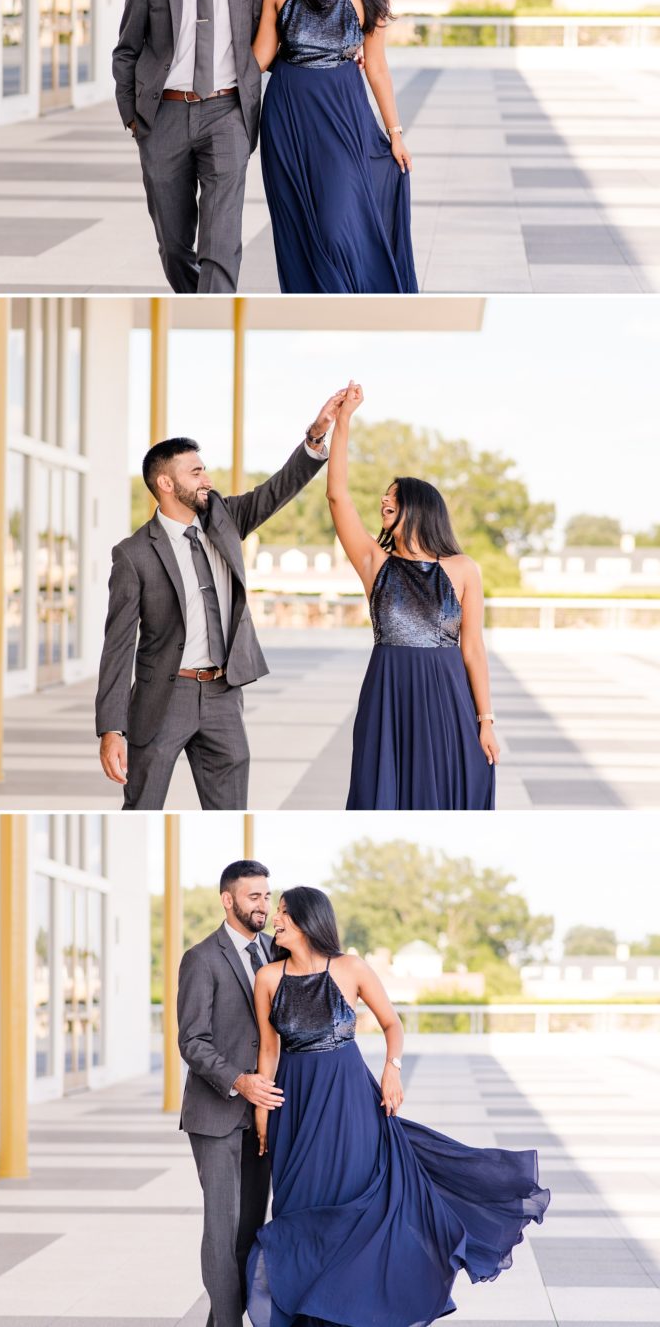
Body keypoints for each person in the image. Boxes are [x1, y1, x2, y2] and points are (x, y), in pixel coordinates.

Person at [247, 886, 549, 1327]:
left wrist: (393, 1068)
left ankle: (351, 1312)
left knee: (353, 1204)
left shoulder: (350, 968)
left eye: (285, 913)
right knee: (296, 1210)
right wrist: (261, 1108)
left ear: (309, 921)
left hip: (349, 1100)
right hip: (294, 1107)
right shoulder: (268, 978)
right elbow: (269, 1051)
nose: (277, 920)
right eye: (278, 913)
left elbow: (392, 1023)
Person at [95, 395, 345, 808]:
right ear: (166, 483)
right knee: (143, 807)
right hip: (163, 698)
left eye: (204, 469)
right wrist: (111, 729)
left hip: (223, 696)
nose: (207, 479)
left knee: (229, 810)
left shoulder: (225, 519)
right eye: (196, 472)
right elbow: (118, 646)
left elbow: (277, 489)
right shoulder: (133, 554)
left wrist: (317, 435)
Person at [327, 381, 500, 809]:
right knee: (381, 790)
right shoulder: (375, 564)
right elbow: (336, 496)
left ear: (419, 508)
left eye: (393, 497)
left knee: (446, 791)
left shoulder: (463, 569)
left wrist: (486, 721)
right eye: (384, 497)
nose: (383, 501)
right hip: (388, 694)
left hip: (447, 697)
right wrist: (343, 421)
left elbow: (474, 649)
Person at [112, 0, 268, 293]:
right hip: (164, 116)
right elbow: (126, 49)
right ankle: (193, 300)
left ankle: (211, 313)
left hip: (227, 113)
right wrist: (132, 116)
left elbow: (271, 37)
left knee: (221, 241)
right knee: (174, 243)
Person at [253, 0, 417, 292]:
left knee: (335, 226)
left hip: (342, 112)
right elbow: (258, 60)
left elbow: (376, 68)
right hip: (287, 114)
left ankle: (352, 296)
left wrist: (395, 133)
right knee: (297, 224)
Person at [178, 860, 281, 1327]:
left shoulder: (273, 953)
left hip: (259, 1116)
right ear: (228, 900)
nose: (263, 904)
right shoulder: (201, 958)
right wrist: (238, 1080)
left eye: (266, 895)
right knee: (221, 1231)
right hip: (216, 1113)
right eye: (253, 896)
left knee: (248, 1231)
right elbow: (192, 1041)